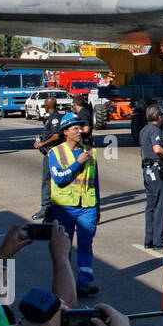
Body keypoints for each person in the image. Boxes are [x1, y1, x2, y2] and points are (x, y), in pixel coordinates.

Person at [48, 112, 100, 297]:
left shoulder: (90, 151)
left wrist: (97, 206)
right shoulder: (55, 153)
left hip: (87, 206)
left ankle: (84, 284)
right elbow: (59, 178)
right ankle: (65, 284)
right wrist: (77, 164)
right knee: (65, 246)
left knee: (86, 245)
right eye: (75, 128)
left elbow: (95, 181)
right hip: (65, 208)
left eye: (80, 127)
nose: (80, 131)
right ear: (65, 132)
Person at [139, 105, 163, 249]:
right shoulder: (155, 130)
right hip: (157, 171)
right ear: (158, 117)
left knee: (151, 206)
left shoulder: (144, 130)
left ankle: (150, 238)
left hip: (147, 171)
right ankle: (159, 239)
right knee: (160, 205)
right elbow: (157, 148)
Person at [32, 97, 64, 222]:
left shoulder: (55, 118)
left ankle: (46, 208)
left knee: (47, 180)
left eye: (45, 105)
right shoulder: (51, 117)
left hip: (52, 153)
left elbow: (56, 135)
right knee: (50, 180)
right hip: (51, 152)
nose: (44, 107)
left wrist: (43, 143)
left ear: (48, 106)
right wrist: (41, 137)